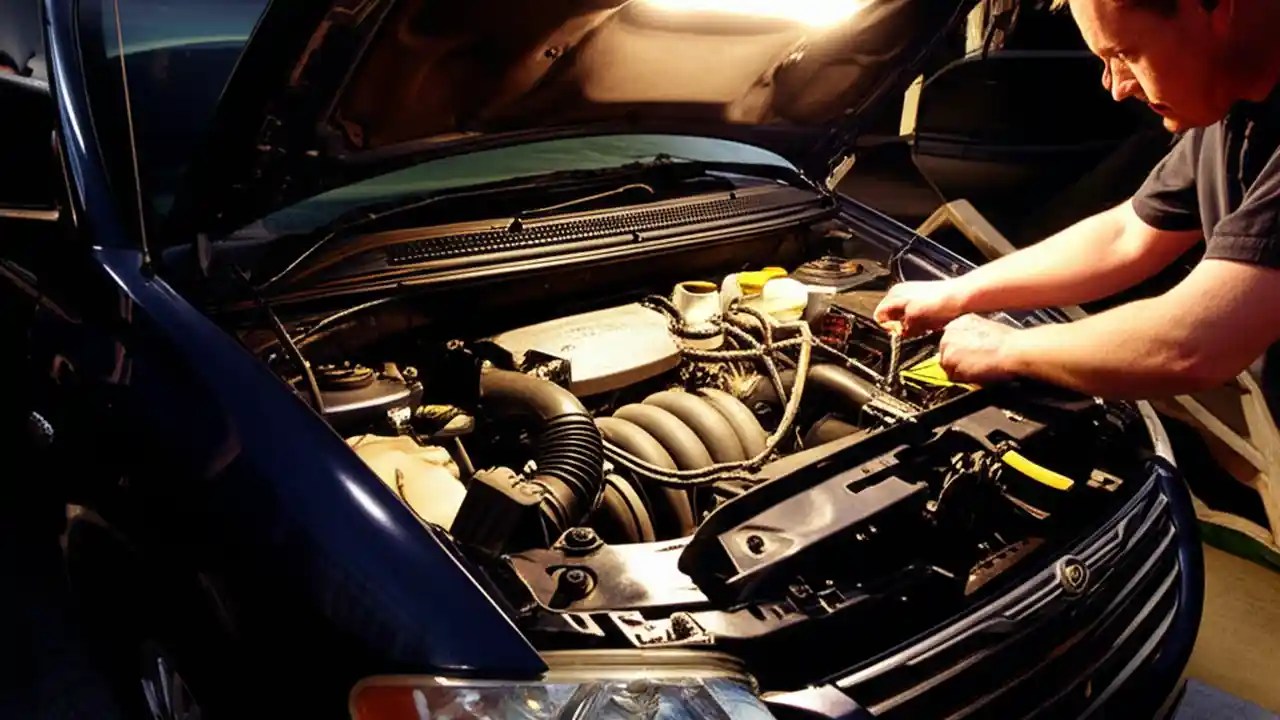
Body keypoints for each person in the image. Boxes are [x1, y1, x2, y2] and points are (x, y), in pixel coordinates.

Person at [874, 0, 1280, 413]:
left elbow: (1193, 344)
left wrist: (1007, 349)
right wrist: (959, 292)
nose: (1117, 87)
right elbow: (1129, 234)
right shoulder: (1232, 107)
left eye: (1125, 54)